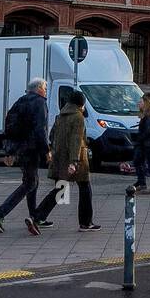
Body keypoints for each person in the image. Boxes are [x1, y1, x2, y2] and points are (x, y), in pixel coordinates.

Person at [28, 90, 99, 234]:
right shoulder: (78, 117)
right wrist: (74, 162)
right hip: (76, 159)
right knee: (85, 189)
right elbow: (76, 140)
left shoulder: (60, 116)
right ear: (80, 104)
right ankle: (86, 223)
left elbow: (52, 135)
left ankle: (38, 216)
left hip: (60, 158)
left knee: (60, 189)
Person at [0, 79, 50, 234]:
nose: (46, 91)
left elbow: (9, 127)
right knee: (30, 183)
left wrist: (9, 151)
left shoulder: (19, 102)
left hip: (20, 148)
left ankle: (34, 216)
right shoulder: (39, 103)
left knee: (32, 181)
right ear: (39, 89)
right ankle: (0, 213)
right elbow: (40, 129)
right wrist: (46, 150)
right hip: (31, 148)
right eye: (45, 88)